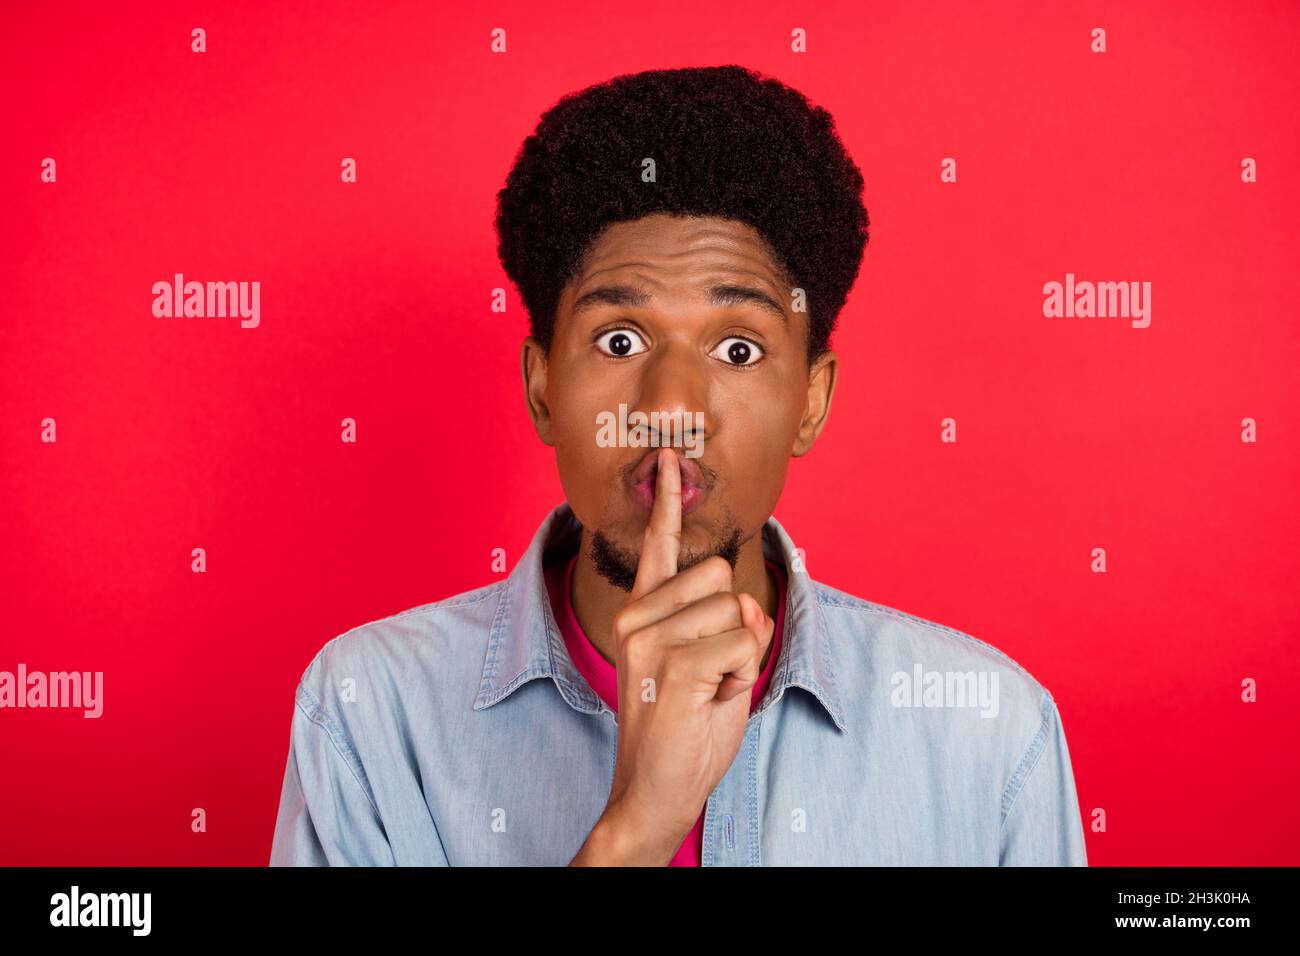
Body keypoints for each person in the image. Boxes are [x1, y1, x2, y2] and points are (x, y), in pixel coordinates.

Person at [269, 64, 1087, 866]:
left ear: (810, 401)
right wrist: (634, 833)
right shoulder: (368, 715)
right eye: (620, 340)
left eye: (738, 347)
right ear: (544, 389)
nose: (670, 407)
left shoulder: (990, 734)